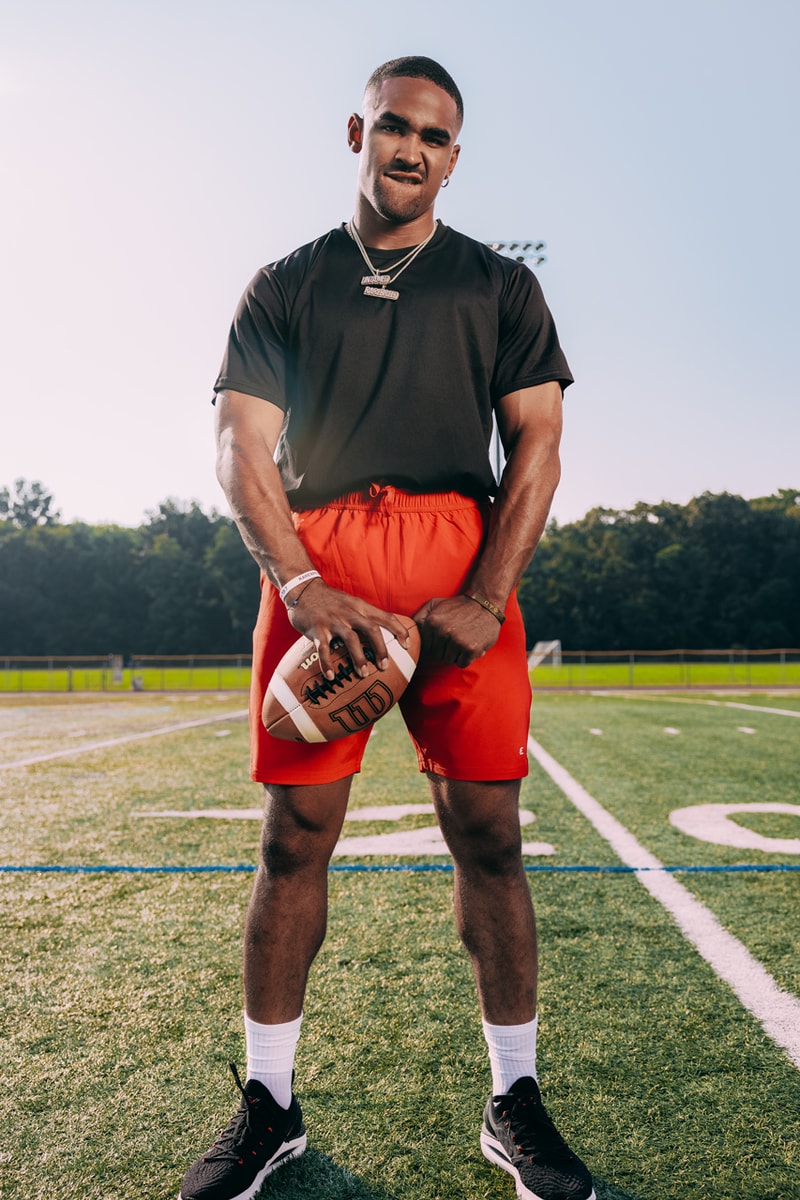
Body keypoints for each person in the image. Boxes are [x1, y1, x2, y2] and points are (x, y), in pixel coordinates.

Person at [179, 55, 594, 1200]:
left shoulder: (499, 285)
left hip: (458, 557)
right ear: (357, 132)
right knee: (293, 838)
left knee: (490, 836)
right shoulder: (285, 283)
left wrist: (488, 595)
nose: (412, 147)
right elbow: (238, 445)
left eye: (435, 136)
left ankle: (513, 1099)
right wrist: (298, 584)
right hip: (321, 560)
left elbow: (538, 444)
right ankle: (269, 1105)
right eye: (395, 126)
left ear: (454, 159)